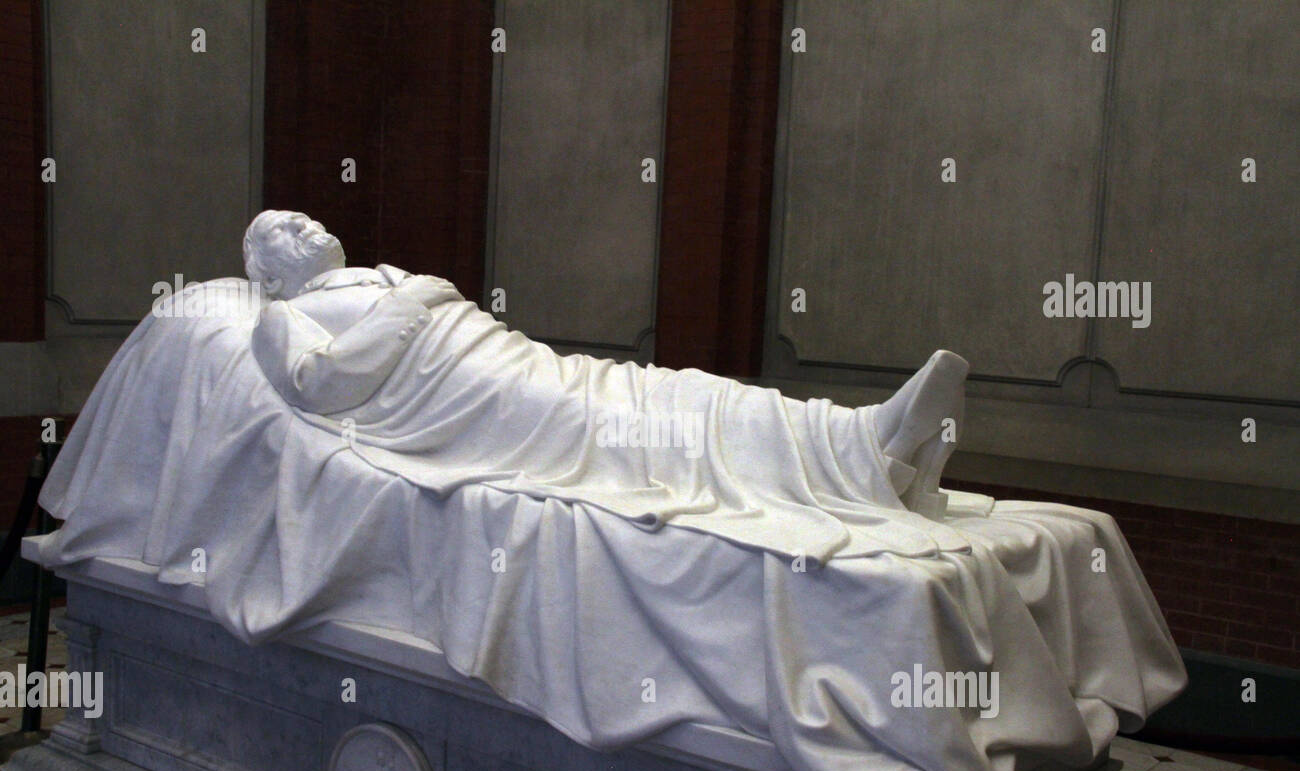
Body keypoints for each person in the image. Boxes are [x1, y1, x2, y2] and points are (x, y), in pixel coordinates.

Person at [243, 209, 968, 527]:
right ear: (267, 276)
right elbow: (320, 384)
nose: (305, 224)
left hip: (511, 363)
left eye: (302, 216)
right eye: (282, 229)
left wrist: (415, 296)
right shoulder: (281, 316)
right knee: (638, 433)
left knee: (670, 394)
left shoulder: (384, 276)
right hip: (474, 407)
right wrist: (418, 302)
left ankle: (855, 439)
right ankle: (866, 462)